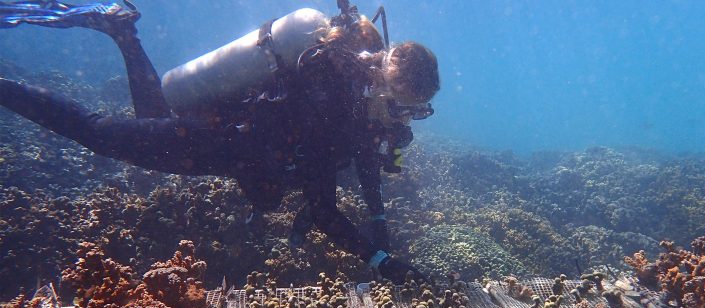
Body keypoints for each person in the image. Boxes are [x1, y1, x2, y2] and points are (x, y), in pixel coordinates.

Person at [0, 1, 440, 283]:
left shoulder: (359, 110)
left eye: (418, 111)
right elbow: (324, 209)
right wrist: (379, 261)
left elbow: (365, 166)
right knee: (98, 133)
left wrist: (379, 227)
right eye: (405, 107)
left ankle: (123, 31)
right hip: (214, 142)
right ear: (383, 85)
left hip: (227, 139)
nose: (407, 120)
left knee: (152, 115)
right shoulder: (331, 107)